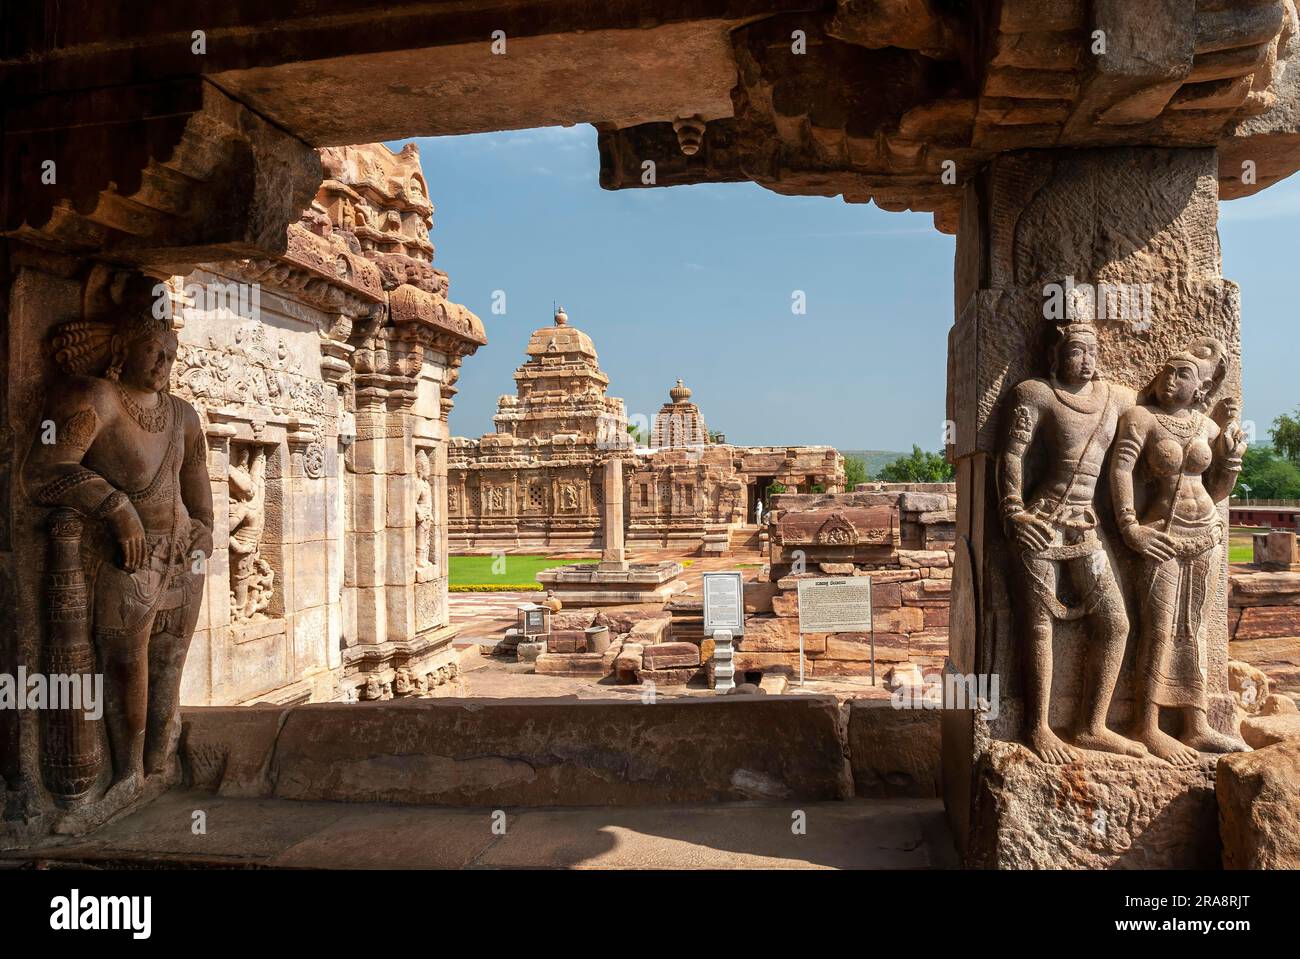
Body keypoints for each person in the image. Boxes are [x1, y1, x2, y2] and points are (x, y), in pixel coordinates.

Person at [999, 320, 1144, 763]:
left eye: (1093, 351)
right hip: (1042, 521)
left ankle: (1091, 725)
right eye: (1077, 351)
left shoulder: (1116, 399)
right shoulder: (1035, 393)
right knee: (1039, 622)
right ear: (1054, 357)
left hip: (1085, 523)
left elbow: (1156, 411)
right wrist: (1013, 511)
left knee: (1116, 622)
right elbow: (1012, 454)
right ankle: (1038, 726)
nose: (1088, 360)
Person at [1110, 337, 1249, 765]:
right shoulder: (1141, 418)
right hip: (1160, 534)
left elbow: (1219, 491)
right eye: (1167, 371)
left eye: (1183, 374)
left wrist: (1230, 458)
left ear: (1200, 387)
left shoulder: (1207, 427)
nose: (1171, 379)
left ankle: (1196, 724)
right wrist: (1130, 526)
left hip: (1204, 531)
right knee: (1159, 626)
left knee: (1196, 627)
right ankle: (1146, 725)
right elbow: (1119, 469)